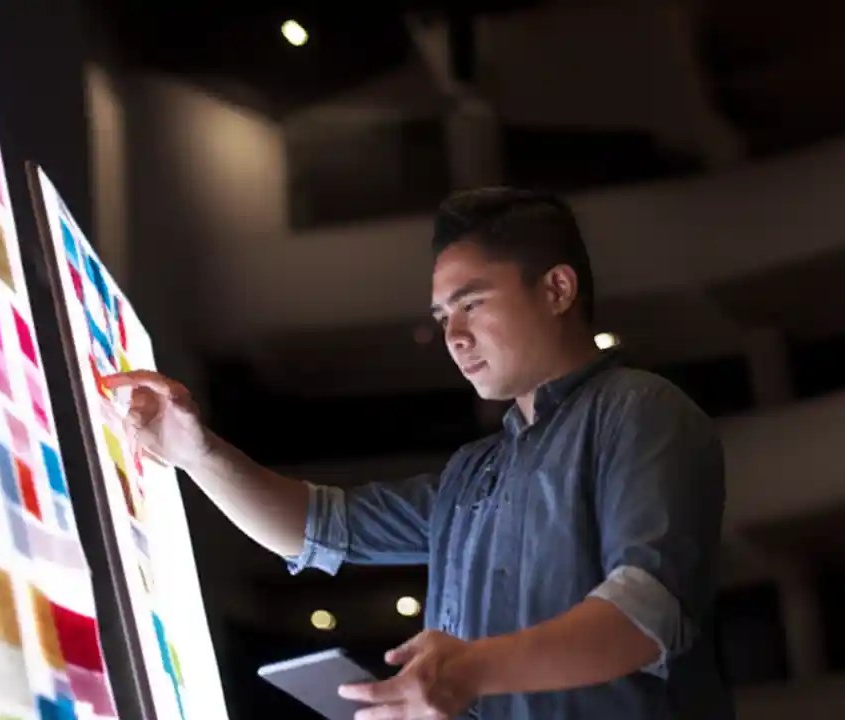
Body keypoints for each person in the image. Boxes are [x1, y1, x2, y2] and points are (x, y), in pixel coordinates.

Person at [106, 188, 732, 720]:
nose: (453, 336)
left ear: (558, 289)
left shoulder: (638, 409)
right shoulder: (473, 473)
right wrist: (197, 453)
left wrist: (469, 670)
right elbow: (321, 527)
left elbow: (642, 618)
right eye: (442, 316)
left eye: (472, 304)